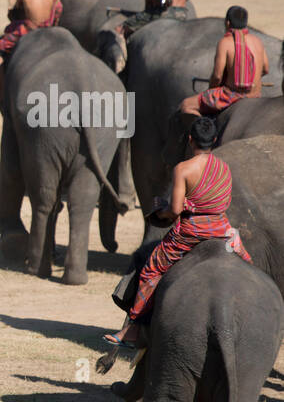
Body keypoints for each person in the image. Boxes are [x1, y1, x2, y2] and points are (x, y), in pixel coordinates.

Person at [105, 117, 252, 348]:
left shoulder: (183, 169)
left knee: (152, 269)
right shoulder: (224, 167)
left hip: (191, 232)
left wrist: (162, 212)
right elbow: (222, 201)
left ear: (191, 139)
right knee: (247, 264)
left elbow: (174, 210)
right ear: (214, 140)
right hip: (222, 229)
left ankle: (133, 329)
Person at [177, 6, 267, 123]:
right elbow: (265, 69)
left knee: (186, 105)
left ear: (228, 23)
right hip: (256, 95)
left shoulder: (225, 42)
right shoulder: (258, 41)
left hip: (233, 97)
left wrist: (211, 91)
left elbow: (217, 76)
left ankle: (203, 136)